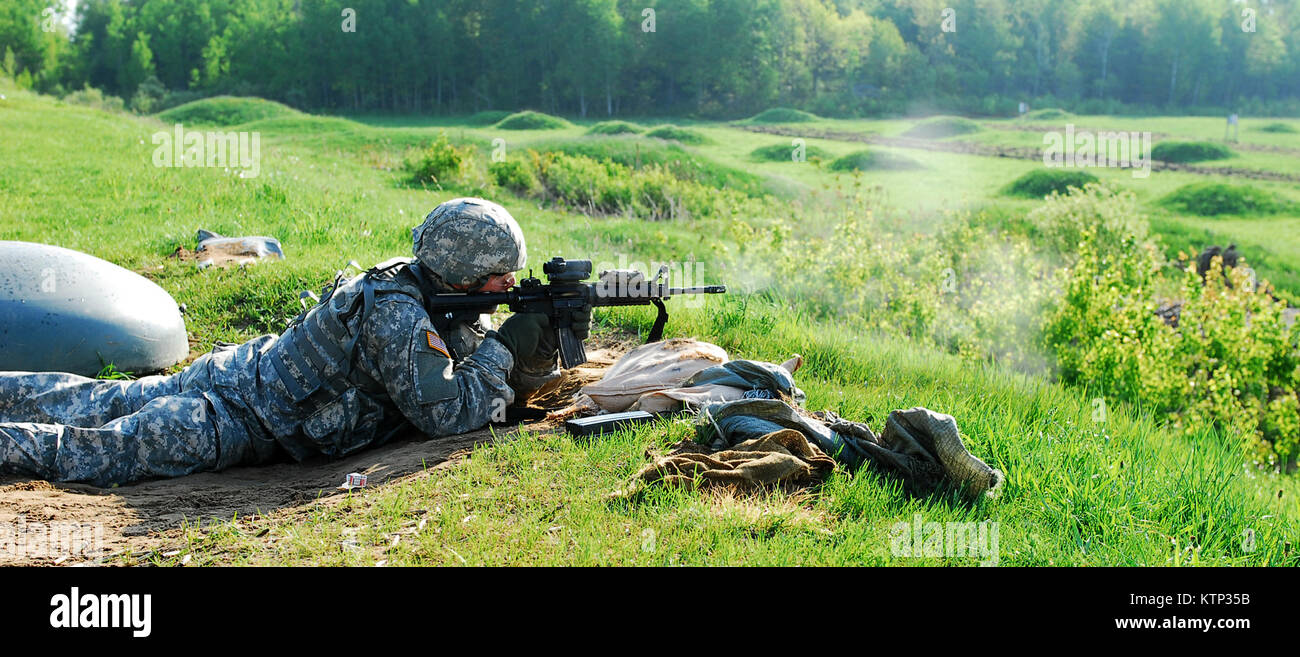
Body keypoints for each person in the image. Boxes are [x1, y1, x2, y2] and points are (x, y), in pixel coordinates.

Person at [0, 197, 589, 487]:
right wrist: (506, 349)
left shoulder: (432, 292)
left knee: (106, 403)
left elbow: (477, 380)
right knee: (97, 447)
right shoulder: (397, 313)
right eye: (498, 275)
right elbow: (449, 413)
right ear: (459, 268)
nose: (508, 286)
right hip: (234, 415)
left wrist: (529, 348)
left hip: (237, 376)